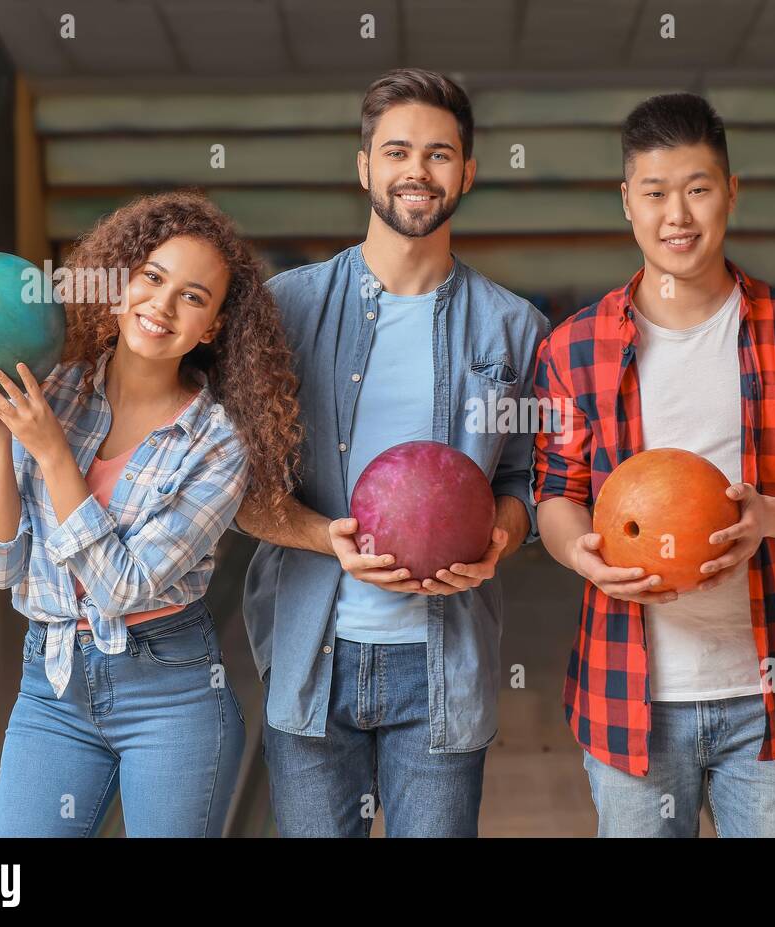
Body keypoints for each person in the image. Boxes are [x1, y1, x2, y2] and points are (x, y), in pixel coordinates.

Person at [532, 93, 775, 837]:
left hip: (772, 692)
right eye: (655, 192)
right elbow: (558, 493)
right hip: (631, 697)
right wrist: (579, 553)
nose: (677, 214)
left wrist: (769, 518)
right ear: (627, 201)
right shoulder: (573, 348)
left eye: (698, 189)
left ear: (731, 192)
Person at [234, 68, 550, 837]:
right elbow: (238, 483)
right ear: (365, 166)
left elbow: (526, 478)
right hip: (315, 658)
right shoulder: (285, 310)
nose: (418, 171)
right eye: (398, 151)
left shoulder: (514, 328)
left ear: (468, 172)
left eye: (440, 155)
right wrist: (323, 536)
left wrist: (502, 537)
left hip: (444, 666)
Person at [0, 191, 301, 837]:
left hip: (171, 696)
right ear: (121, 283)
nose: (161, 304)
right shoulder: (54, 388)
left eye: (193, 296)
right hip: (51, 688)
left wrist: (50, 451)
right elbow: (0, 562)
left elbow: (121, 587)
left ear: (211, 326)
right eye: (152, 278)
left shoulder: (217, 443)